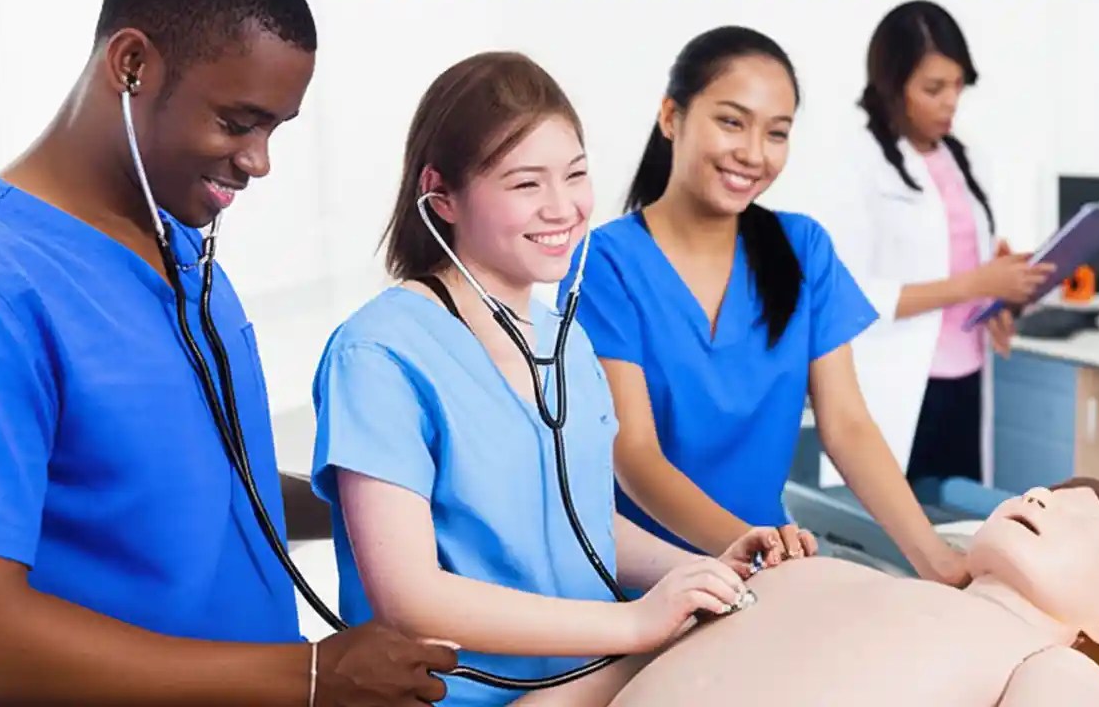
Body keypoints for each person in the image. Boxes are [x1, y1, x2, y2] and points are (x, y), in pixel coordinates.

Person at [0, 0, 454, 705]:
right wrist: (309, 676)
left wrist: (381, 502)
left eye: (275, 129)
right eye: (237, 122)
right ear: (131, 65)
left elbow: (196, 485)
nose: (258, 161)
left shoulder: (182, 254)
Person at [309, 51, 797, 707]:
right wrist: (631, 622)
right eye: (525, 184)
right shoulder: (378, 355)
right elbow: (410, 597)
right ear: (442, 196)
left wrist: (705, 570)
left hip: (584, 685)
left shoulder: (567, 340)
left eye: (575, 175)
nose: (564, 208)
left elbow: (585, 522)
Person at [556, 26, 966, 585]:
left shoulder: (804, 250)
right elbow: (635, 456)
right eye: (731, 122)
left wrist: (937, 562)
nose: (753, 154)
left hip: (767, 571)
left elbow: (847, 425)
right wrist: (751, 550)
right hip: (648, 579)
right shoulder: (605, 264)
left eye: (777, 134)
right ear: (672, 116)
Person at [610, 477, 1099, 707]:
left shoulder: (1051, 663)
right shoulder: (827, 573)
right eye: (1039, 491)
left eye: (1076, 518)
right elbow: (637, 657)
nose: (1037, 497)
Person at [819, 0, 1056, 495]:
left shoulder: (965, 159)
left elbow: (973, 261)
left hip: (966, 377)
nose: (950, 101)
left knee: (962, 527)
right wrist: (975, 283)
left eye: (957, 87)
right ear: (892, 85)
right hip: (901, 383)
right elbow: (851, 294)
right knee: (898, 540)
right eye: (933, 88)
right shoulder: (856, 161)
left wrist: (1004, 293)